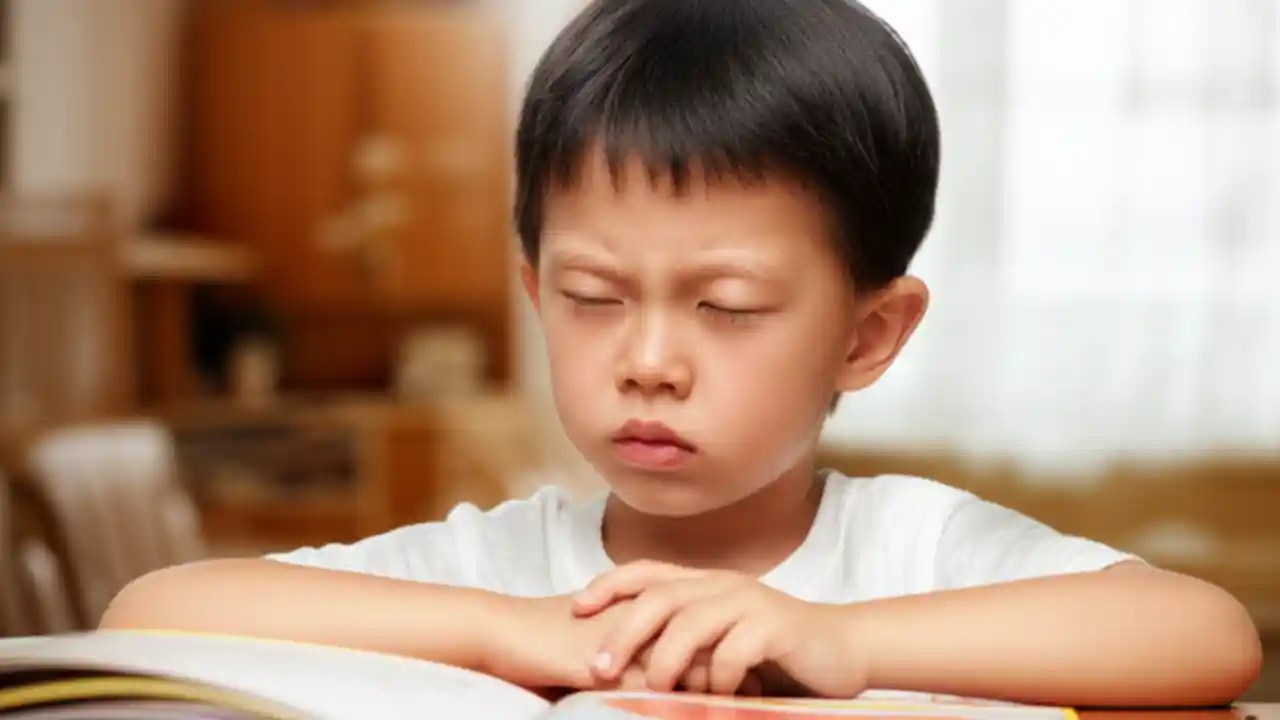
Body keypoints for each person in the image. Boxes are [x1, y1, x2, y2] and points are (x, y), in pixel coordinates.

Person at [102, 0, 1262, 704]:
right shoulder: (505, 568)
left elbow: (1203, 635)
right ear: (534, 291)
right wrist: (512, 630)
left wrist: (843, 640)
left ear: (866, 336)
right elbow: (151, 612)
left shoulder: (910, 551)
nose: (647, 359)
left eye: (727, 306)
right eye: (594, 297)